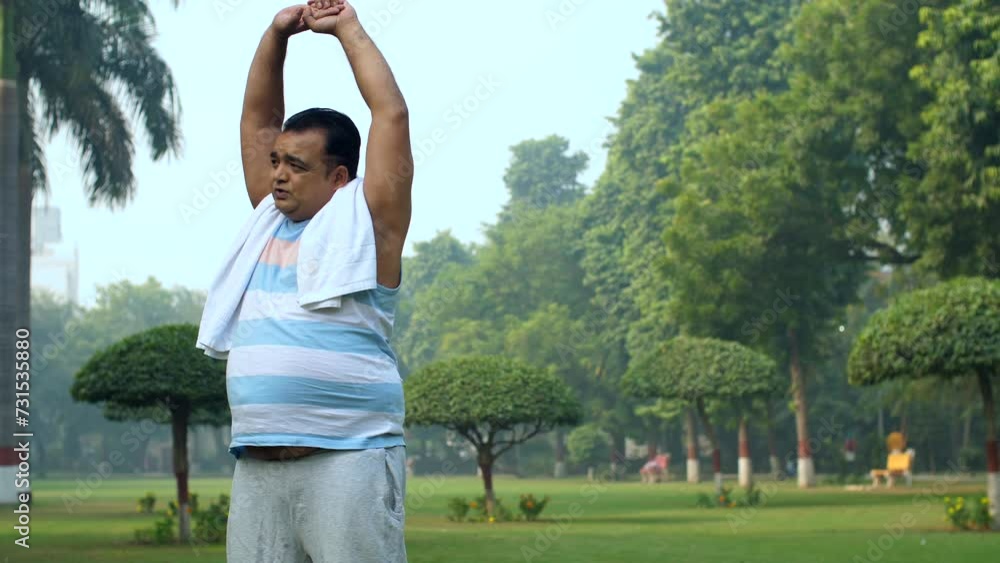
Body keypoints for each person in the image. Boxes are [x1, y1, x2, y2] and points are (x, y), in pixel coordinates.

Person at [225, 1, 412, 561]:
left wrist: (347, 29)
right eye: (277, 161)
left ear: (339, 177)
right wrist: (276, 33)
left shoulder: (373, 223)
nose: (277, 174)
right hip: (258, 465)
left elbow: (391, 117)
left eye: (296, 166)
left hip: (348, 461)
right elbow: (259, 124)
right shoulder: (268, 219)